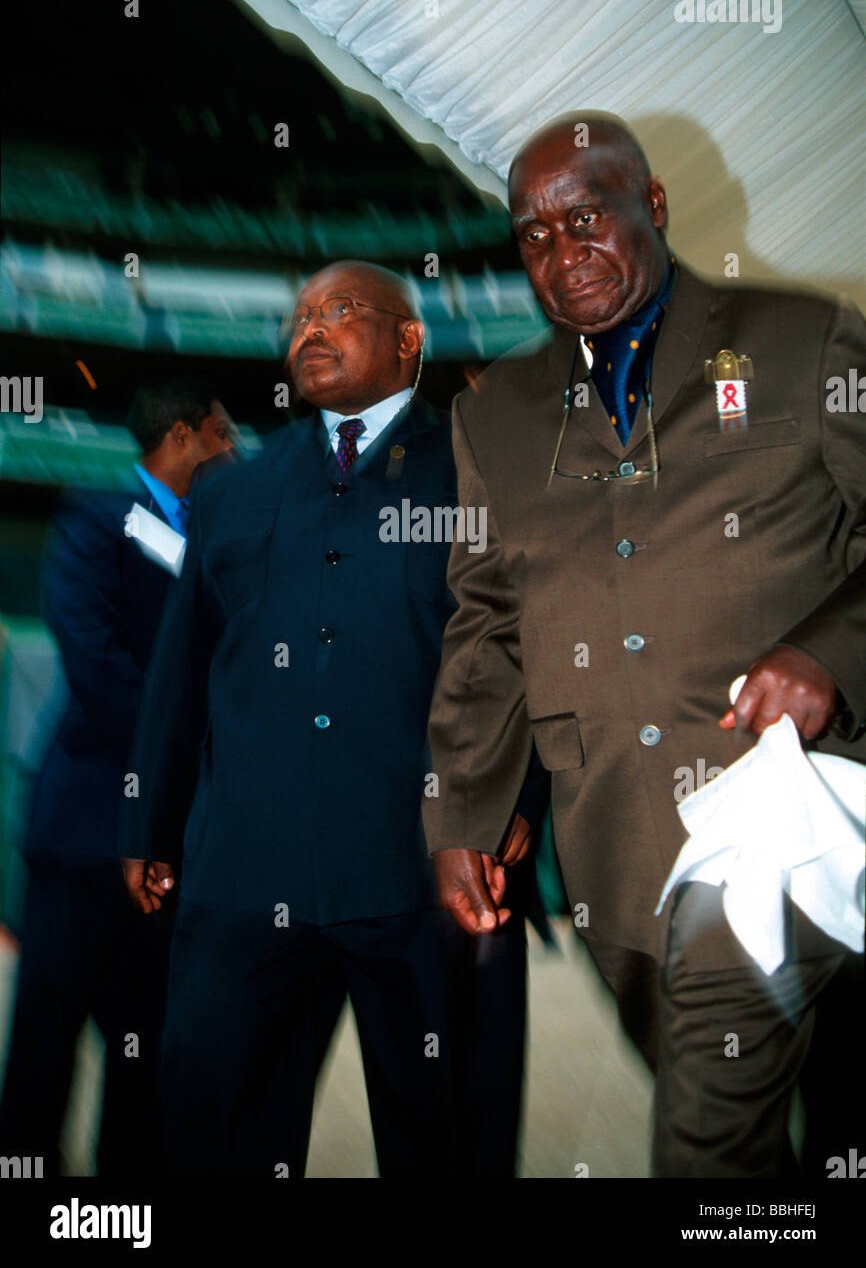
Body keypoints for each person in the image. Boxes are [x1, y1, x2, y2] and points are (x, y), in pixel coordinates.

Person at [424, 113, 866, 1178]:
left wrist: (829, 657)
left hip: (789, 814)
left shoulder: (804, 339)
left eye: (585, 216)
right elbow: (484, 622)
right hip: (612, 851)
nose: (558, 249)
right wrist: (463, 813)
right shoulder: (494, 414)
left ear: (651, 205)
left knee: (707, 1143)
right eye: (531, 232)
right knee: (753, 1111)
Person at [121, 262, 532, 1179]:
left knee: (444, 1143)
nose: (311, 328)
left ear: (408, 340)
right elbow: (183, 671)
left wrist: (517, 801)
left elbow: (524, 650)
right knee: (214, 1131)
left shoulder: (482, 474)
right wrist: (149, 820)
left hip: (424, 872)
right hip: (243, 874)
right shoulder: (233, 492)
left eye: (340, 311)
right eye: (301, 315)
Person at [0, 377, 233, 1176]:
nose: (234, 452)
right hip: (86, 836)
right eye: (222, 435)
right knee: (43, 1044)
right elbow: (94, 662)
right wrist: (192, 739)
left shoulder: (222, 540)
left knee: (148, 1055)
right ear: (182, 436)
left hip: (174, 851)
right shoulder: (96, 517)